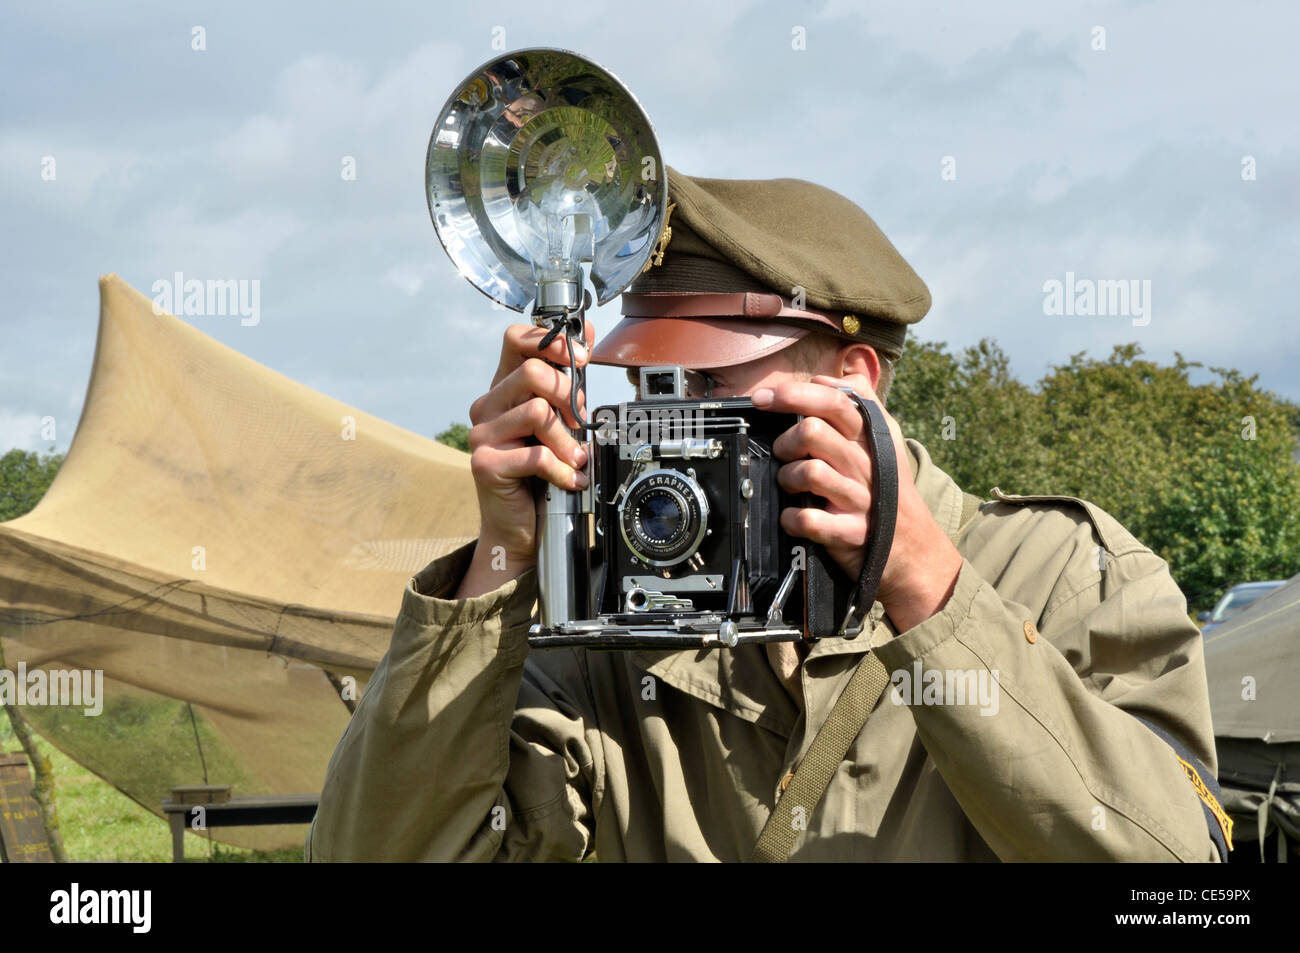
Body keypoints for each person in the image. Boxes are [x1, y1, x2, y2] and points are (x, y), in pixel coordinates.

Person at [306, 169, 1230, 862]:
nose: (664, 421)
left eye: (707, 381)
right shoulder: (603, 624)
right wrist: (497, 573)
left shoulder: (1067, 573)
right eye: (646, 385)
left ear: (851, 382)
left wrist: (929, 594)